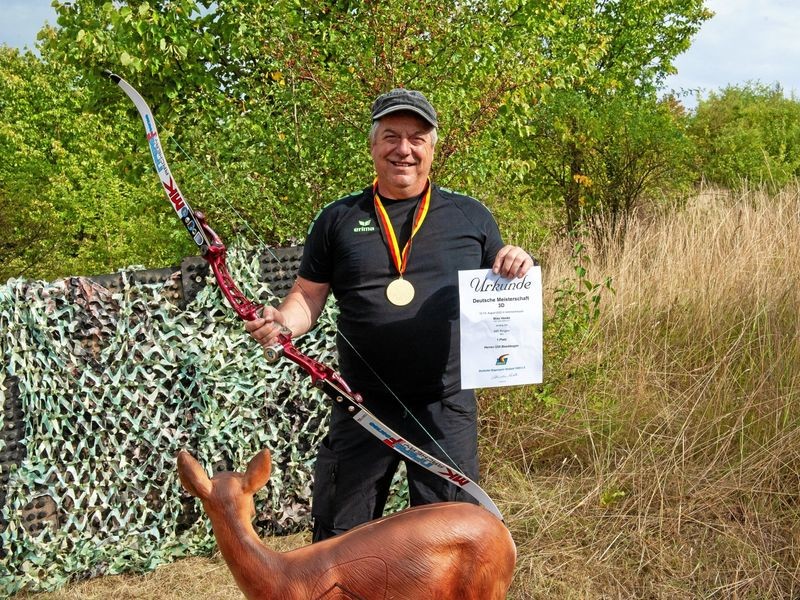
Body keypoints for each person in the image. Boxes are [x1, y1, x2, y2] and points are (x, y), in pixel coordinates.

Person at [246, 88, 534, 541]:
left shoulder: (470, 216)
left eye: (417, 138)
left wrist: (516, 260)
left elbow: (505, 276)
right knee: (340, 538)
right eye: (391, 136)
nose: (404, 149)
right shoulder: (338, 218)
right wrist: (281, 324)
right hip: (361, 405)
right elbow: (306, 295)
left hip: (444, 405)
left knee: (449, 539)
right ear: (373, 145)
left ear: (433, 148)